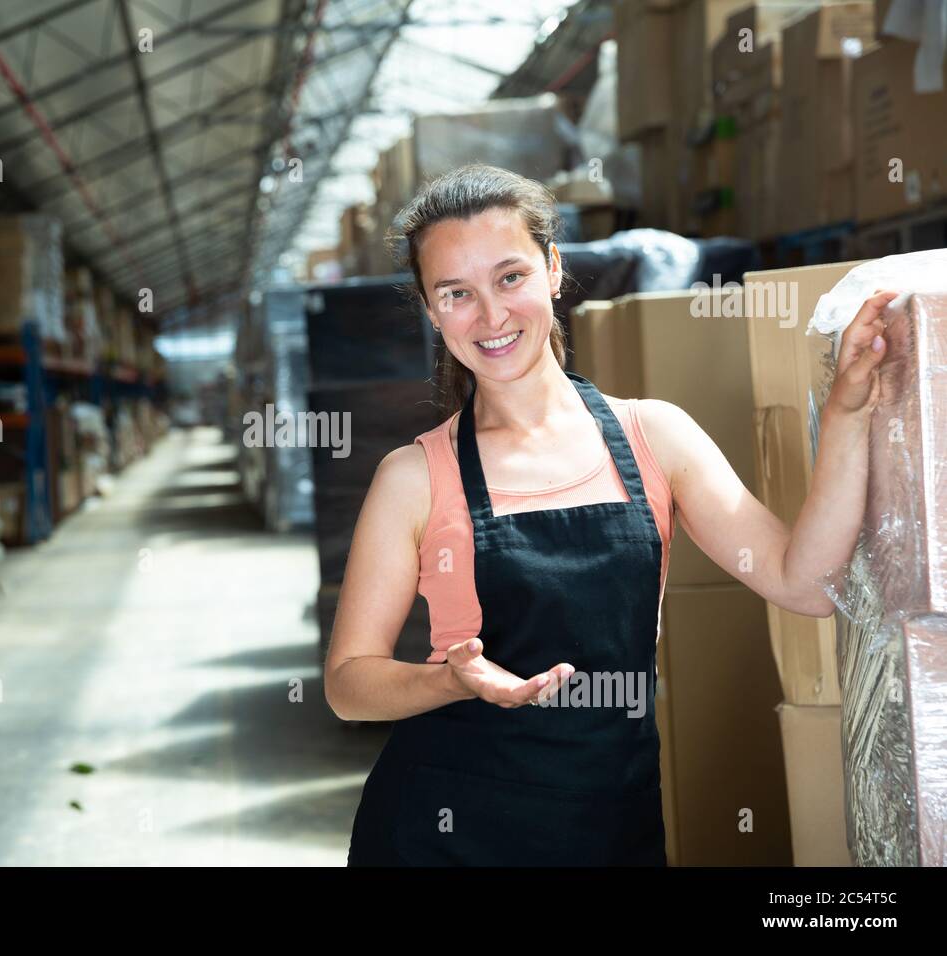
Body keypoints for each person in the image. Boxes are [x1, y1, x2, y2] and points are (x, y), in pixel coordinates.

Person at [323, 163, 893, 866]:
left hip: (607, 820)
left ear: (553, 270)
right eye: (456, 294)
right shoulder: (414, 478)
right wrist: (447, 680)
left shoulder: (655, 436)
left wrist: (845, 413)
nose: (492, 316)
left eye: (510, 278)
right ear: (431, 309)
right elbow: (349, 684)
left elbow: (802, 583)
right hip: (448, 829)